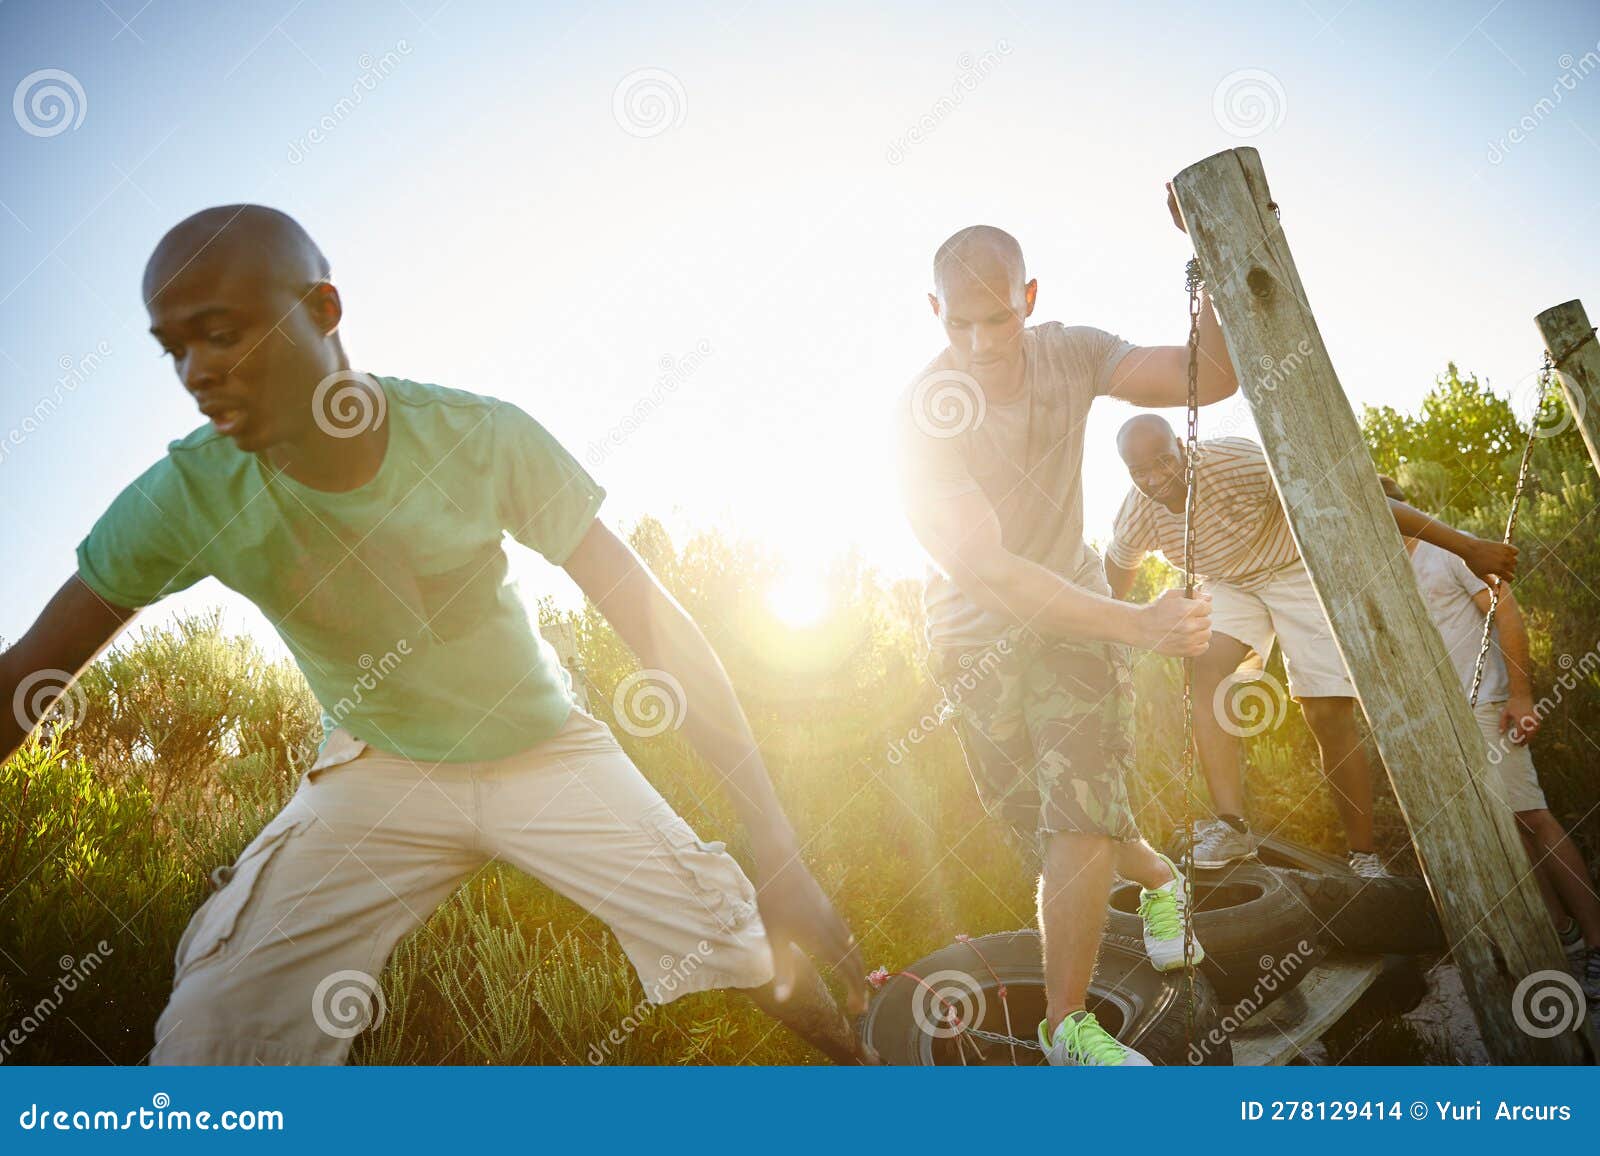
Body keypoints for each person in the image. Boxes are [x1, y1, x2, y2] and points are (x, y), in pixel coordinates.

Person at [0, 205, 874, 1065]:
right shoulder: (185, 496)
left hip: (545, 749)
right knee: (217, 1028)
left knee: (744, 942)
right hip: (380, 767)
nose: (197, 371)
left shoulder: (481, 439)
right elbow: (27, 677)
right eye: (175, 348)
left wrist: (778, 852)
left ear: (324, 311)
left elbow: (657, 629)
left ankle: (883, 1079)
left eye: (222, 333)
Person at [897, 189, 1227, 1067]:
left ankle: (1066, 1030)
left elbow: (1214, 374)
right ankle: (1159, 877)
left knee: (1077, 810)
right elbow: (994, 575)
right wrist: (1140, 623)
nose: (978, 344)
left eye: (997, 319)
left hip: (1075, 619)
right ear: (935, 312)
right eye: (958, 325)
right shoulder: (922, 417)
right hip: (975, 635)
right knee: (1043, 824)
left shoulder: (1075, 353)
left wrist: (1216, 253)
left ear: (1029, 299)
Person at [1105, 418, 1517, 878]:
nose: (1154, 478)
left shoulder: (1238, 462)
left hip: (1293, 566)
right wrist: (1105, 628)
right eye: (1138, 470)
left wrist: (1465, 546)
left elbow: (1352, 495)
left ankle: (1363, 856)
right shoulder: (1138, 511)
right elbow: (1116, 573)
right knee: (1206, 665)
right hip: (1227, 583)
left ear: (1183, 446)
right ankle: (1232, 825)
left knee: (1325, 710)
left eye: (1163, 460)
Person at [1379, 475, 1599, 1003]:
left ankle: (1597, 943)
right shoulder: (1387, 572)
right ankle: (1561, 937)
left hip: (1489, 705)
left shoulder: (1447, 549)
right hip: (1445, 719)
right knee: (1505, 827)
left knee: (1532, 816)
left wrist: (1521, 696)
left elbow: (1508, 612)